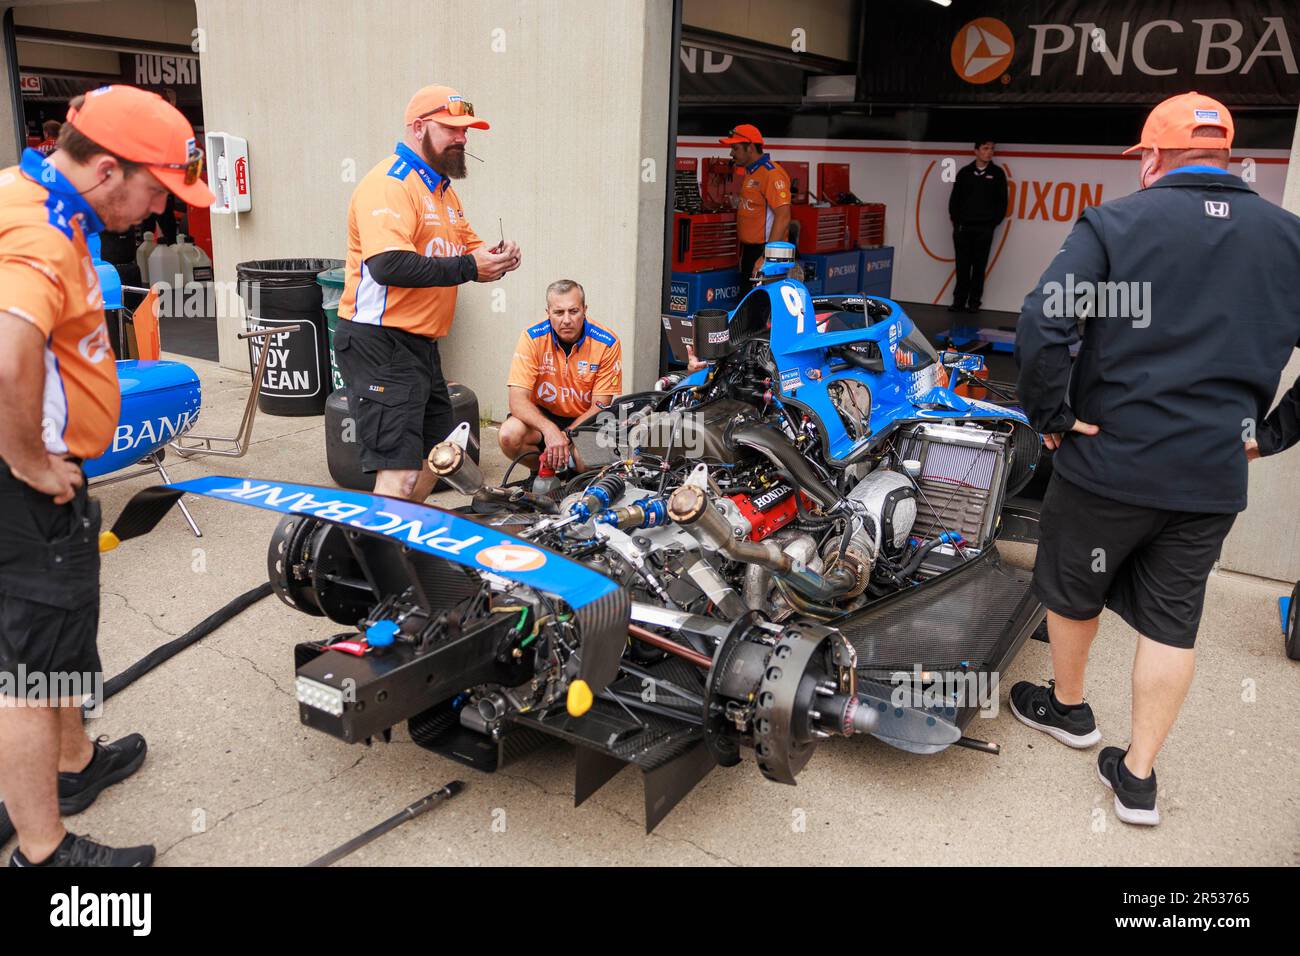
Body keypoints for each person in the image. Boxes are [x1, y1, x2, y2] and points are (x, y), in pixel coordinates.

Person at [1012, 92, 1300, 826]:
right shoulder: (1289, 237)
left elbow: (1045, 320)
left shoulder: (1116, 223)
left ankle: (1070, 710)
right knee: (1174, 621)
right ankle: (1137, 779)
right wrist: (1270, 435)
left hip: (1108, 461)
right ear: (1231, 159)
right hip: (1211, 473)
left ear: (1152, 156)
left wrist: (1052, 417)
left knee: (1074, 588)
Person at [0, 85, 214, 866]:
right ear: (107, 170)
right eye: (157, 186)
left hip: (43, 474)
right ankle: (44, 851)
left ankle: (74, 763)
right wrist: (29, 461)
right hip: (24, 484)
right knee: (28, 671)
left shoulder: (33, 199)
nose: (160, 205)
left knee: (60, 642)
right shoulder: (36, 232)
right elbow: (7, 359)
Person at [334, 85, 520, 502]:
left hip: (420, 345)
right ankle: (375, 560)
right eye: (452, 128)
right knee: (397, 473)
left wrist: (498, 258)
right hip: (379, 342)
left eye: (467, 130)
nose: (463, 138)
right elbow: (388, 266)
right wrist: (472, 267)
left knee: (439, 459)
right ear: (418, 128)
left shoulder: (443, 191)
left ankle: (400, 545)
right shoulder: (390, 184)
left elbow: (470, 249)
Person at [500, 280, 622, 475]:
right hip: (543, 417)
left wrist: (565, 435)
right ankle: (547, 469)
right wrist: (549, 430)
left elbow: (600, 405)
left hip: (585, 420)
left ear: (584, 310)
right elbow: (517, 401)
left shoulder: (607, 342)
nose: (566, 320)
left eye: (573, 311)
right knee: (509, 435)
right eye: (558, 312)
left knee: (596, 461)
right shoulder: (531, 338)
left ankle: (572, 472)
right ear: (548, 312)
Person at [719, 124, 791, 280]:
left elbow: (783, 217)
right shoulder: (752, 172)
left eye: (735, 148)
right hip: (752, 252)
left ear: (750, 148)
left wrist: (766, 256)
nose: (731, 153)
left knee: (761, 303)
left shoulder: (772, 174)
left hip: (766, 252)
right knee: (749, 301)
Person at [948, 140, 1008, 313]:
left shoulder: (997, 174)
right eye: (985, 148)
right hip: (963, 228)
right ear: (976, 151)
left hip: (984, 229)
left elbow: (1002, 203)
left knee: (979, 266)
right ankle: (959, 301)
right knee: (962, 266)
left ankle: (974, 302)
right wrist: (957, 222)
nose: (989, 152)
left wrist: (991, 224)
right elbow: (954, 200)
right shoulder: (965, 173)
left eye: (992, 149)